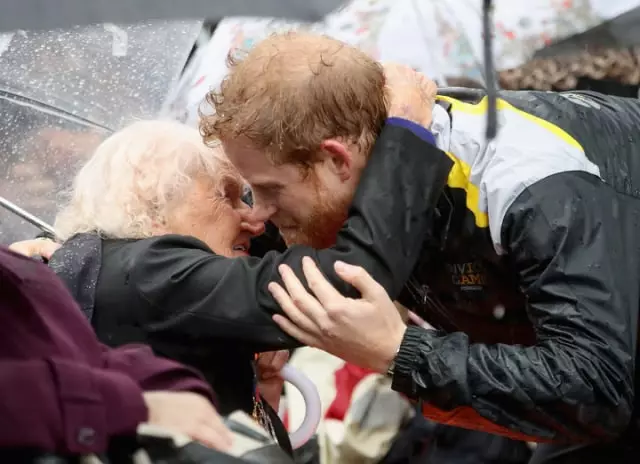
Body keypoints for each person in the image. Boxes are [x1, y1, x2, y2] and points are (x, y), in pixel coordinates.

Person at [201, 32, 640, 463]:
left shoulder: (526, 186)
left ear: (337, 159)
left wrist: (399, 352)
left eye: (268, 191)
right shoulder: (356, 168)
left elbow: (600, 390)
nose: (258, 215)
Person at [27, 70, 441, 452]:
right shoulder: (149, 270)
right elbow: (347, 283)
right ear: (154, 197)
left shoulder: (103, 269)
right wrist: (406, 138)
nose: (253, 220)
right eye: (228, 195)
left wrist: (262, 393)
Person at [0, 245, 233, 457]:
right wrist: (131, 405)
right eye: (223, 198)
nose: (253, 223)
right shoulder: (155, 261)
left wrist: (171, 387)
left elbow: (81, 351)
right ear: (155, 221)